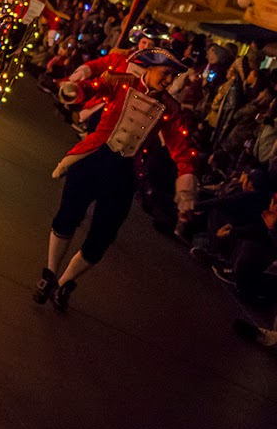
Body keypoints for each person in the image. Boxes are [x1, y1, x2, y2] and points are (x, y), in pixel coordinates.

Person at [34, 47, 197, 312]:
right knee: (67, 216)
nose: (168, 81)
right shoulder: (124, 83)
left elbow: (182, 147)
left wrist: (187, 190)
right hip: (92, 159)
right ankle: (49, 274)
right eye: (166, 74)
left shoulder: (170, 109)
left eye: (173, 77)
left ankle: (64, 282)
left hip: (124, 174)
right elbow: (93, 87)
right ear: (150, 68)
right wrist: (75, 90)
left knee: (102, 236)